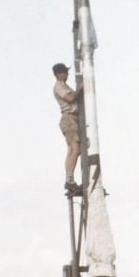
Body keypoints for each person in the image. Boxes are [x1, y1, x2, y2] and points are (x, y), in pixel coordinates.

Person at [52, 62, 83, 194]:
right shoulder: (59, 86)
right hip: (69, 118)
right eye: (65, 72)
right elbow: (70, 98)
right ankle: (69, 179)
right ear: (59, 74)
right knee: (76, 149)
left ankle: (69, 179)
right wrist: (80, 88)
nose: (67, 74)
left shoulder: (63, 85)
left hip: (70, 119)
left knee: (72, 149)